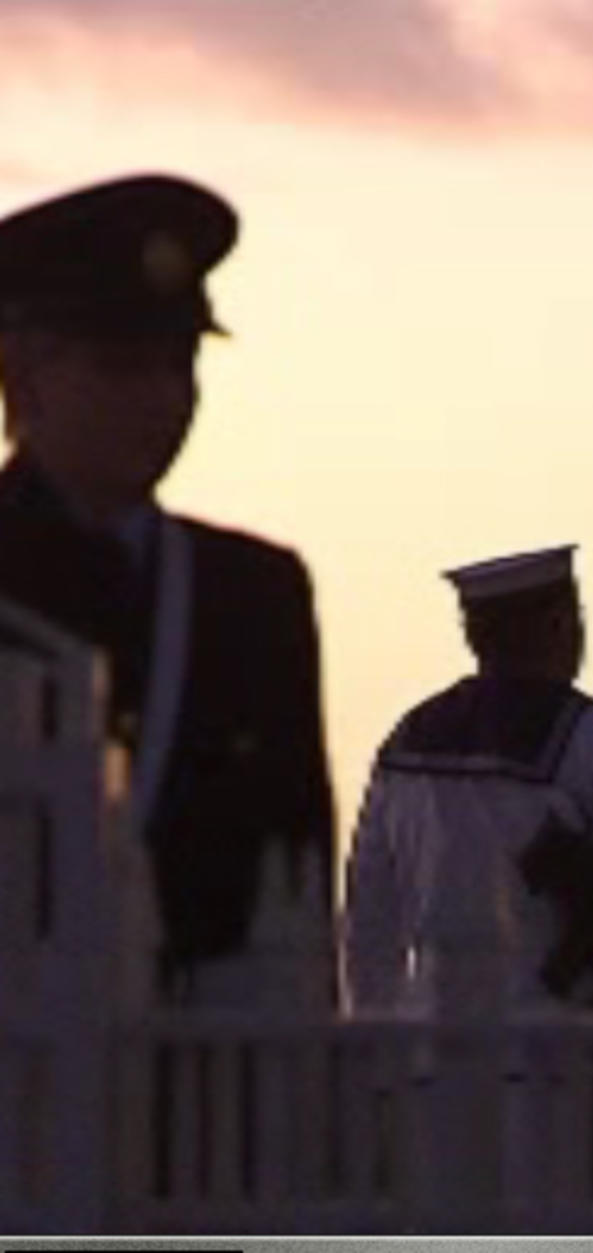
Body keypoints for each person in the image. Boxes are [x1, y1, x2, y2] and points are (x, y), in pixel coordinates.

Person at [0, 174, 335, 974]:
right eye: (121, 366)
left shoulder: (252, 590)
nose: (162, 397)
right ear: (24, 371)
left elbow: (298, 859)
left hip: (200, 1072)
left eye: (178, 363)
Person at [345, 545, 593, 1012]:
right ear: (561, 626)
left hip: (428, 1041)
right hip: (559, 1042)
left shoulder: (406, 741)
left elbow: (371, 912)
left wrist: (375, 1031)